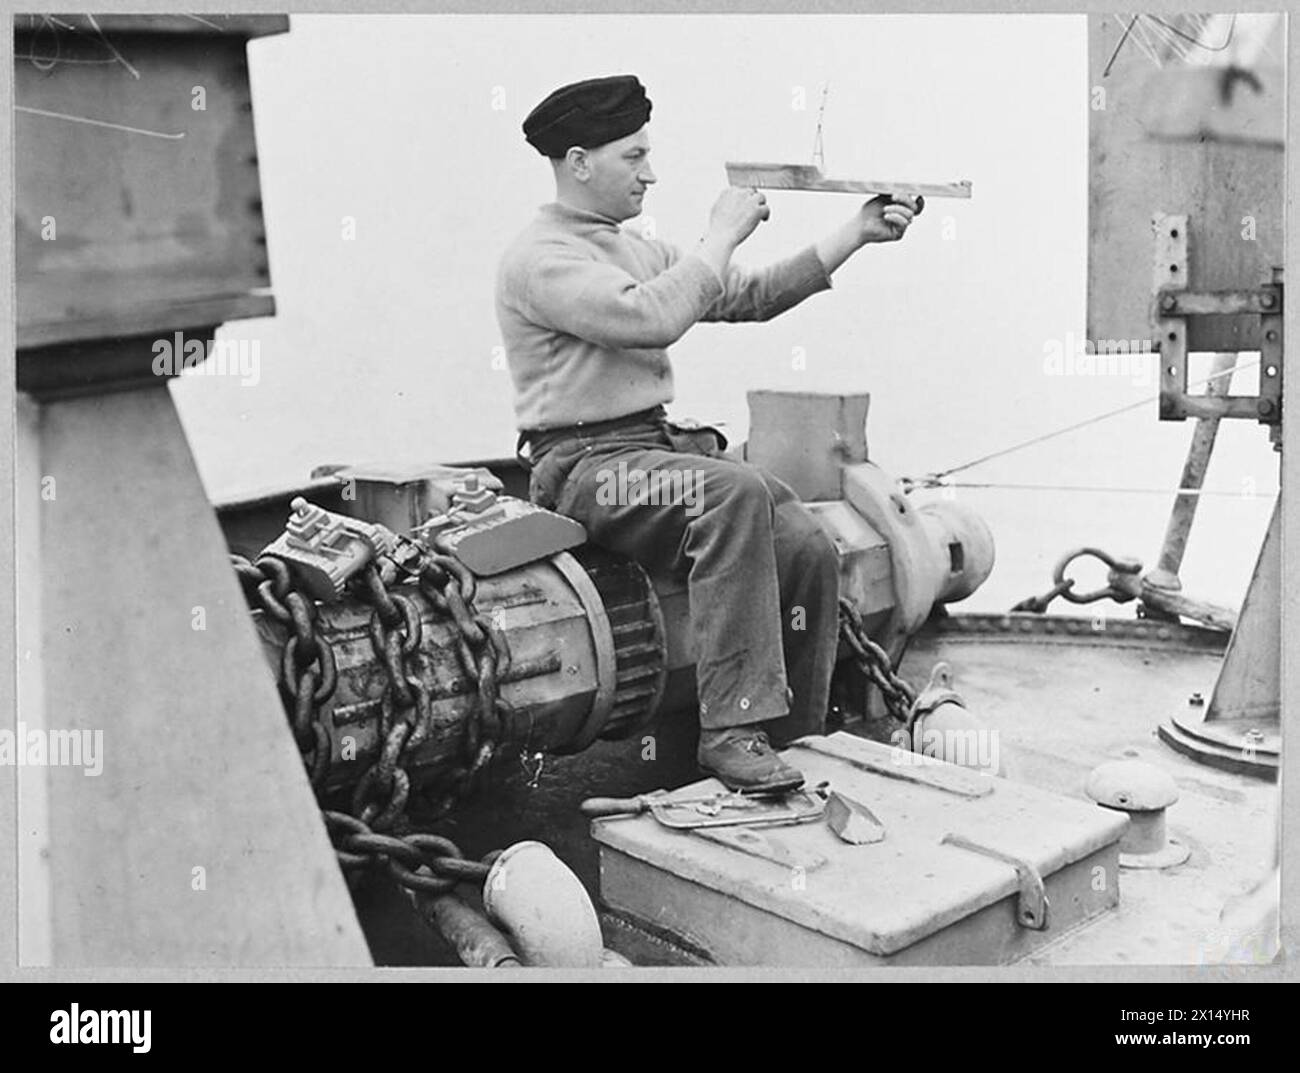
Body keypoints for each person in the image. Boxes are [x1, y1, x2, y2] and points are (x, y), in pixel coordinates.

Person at [495, 75, 919, 791]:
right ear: (578, 162)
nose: (650, 172)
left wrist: (856, 233)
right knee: (730, 493)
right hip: (583, 467)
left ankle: (794, 733)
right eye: (633, 157)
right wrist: (718, 234)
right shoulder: (541, 258)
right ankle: (731, 730)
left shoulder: (631, 248)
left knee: (804, 540)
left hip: (648, 453)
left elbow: (747, 295)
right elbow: (650, 319)